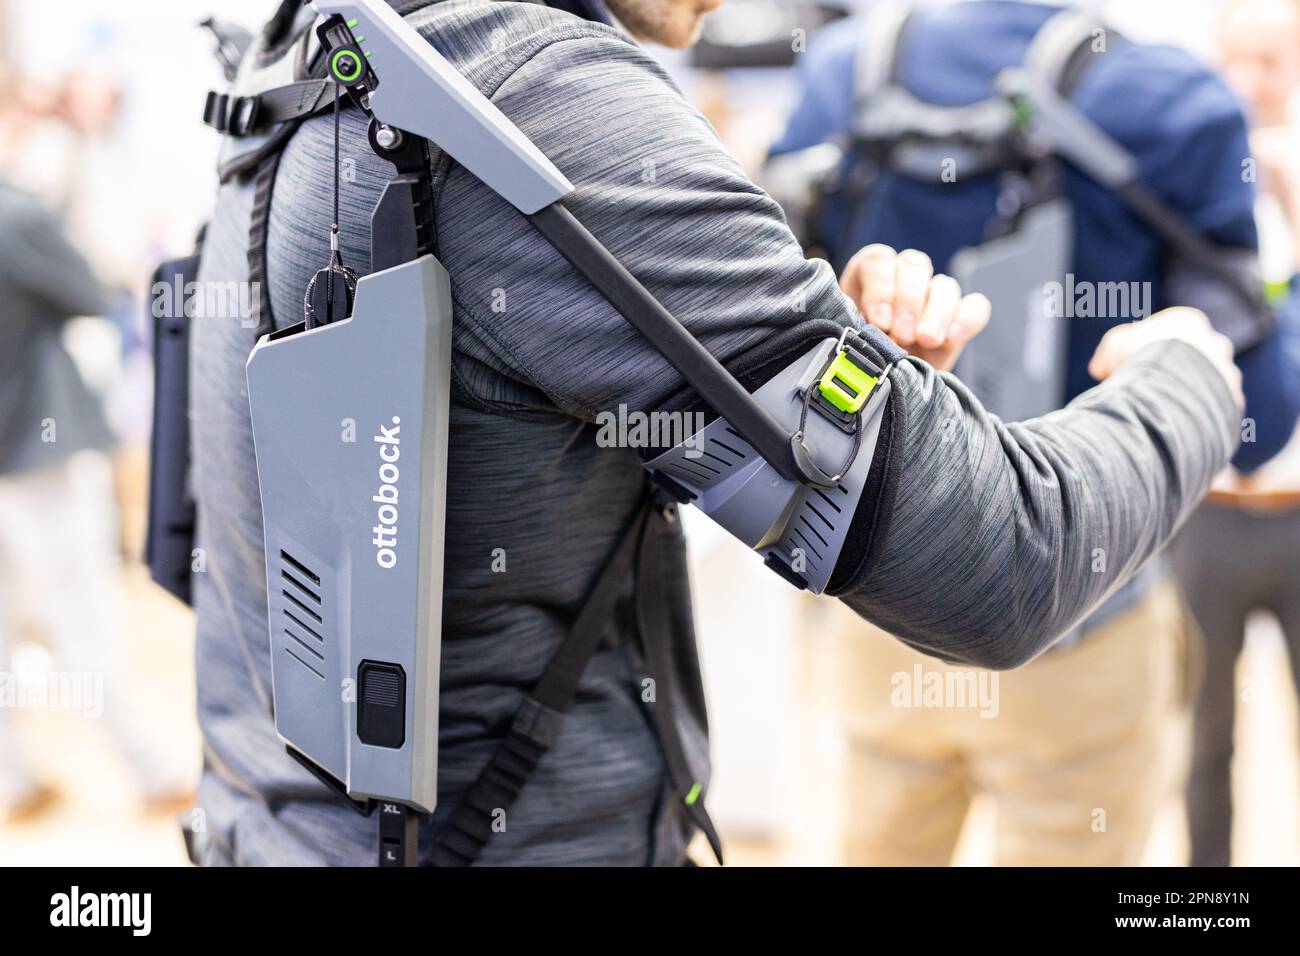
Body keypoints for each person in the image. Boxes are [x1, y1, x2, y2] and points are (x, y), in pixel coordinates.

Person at [186, 0, 1241, 866]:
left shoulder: (318, 46)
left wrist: (814, 345)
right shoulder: (536, 100)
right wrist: (1190, 374)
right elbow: (1005, 561)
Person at [765, 0, 1299, 865]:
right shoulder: (1172, 98)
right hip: (1085, 636)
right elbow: (1254, 423)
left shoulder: (841, 71)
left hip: (881, 610)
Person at [0, 86, 189, 821]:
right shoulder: (18, 214)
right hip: (38, 450)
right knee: (85, 619)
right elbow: (89, 288)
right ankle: (155, 771)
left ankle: (14, 780)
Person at [1171, 0, 1300, 867]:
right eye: (1238, 62)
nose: (1253, 81)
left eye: (1272, 61)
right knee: (1203, 740)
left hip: (1299, 517)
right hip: (1207, 515)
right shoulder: (1182, 186)